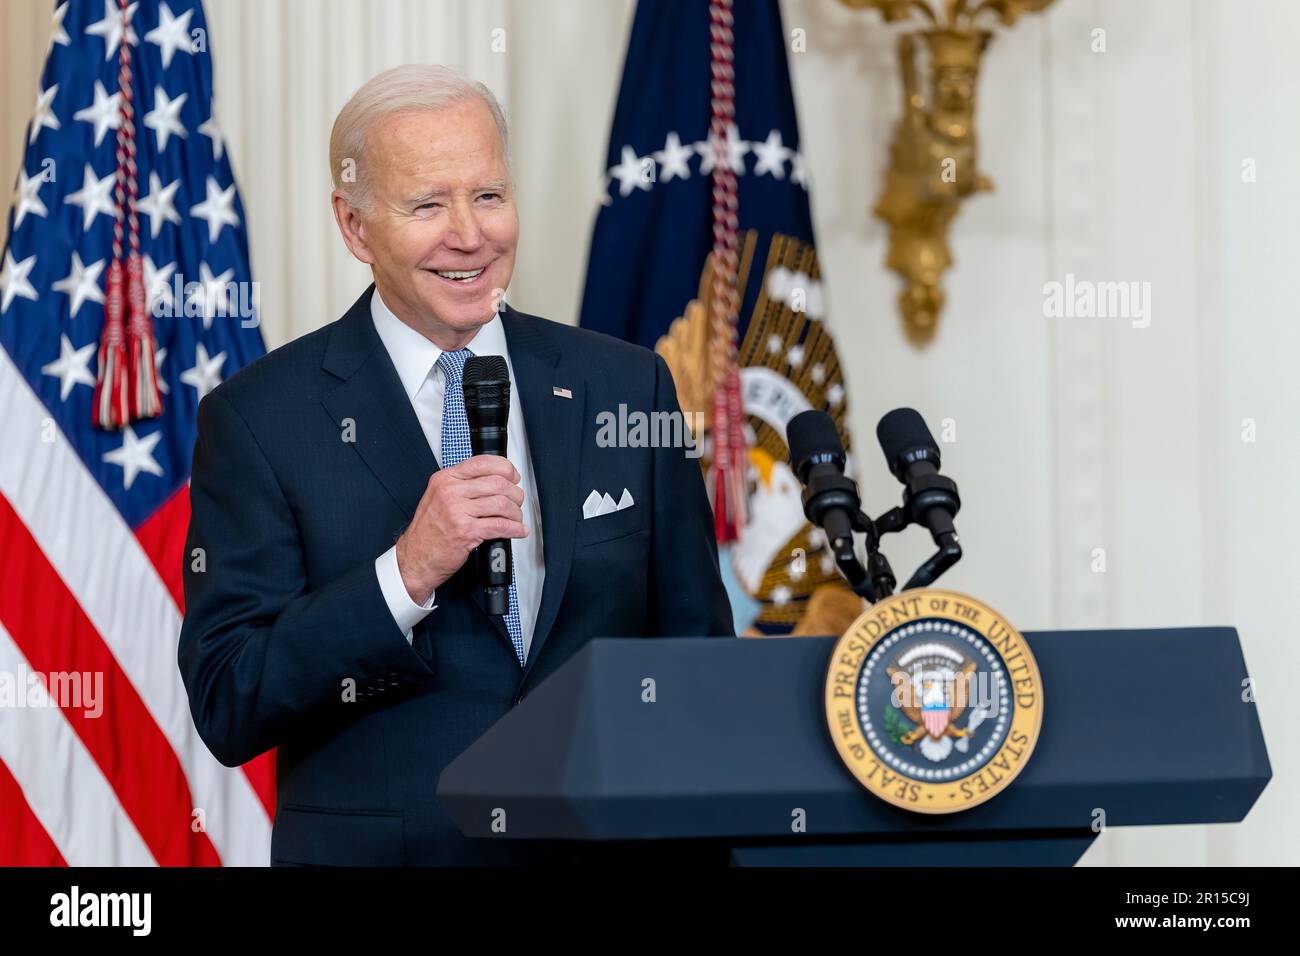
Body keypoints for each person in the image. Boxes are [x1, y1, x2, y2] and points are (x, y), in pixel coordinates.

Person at [178, 64, 733, 866]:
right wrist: (403, 575)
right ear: (356, 225)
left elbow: (696, 662)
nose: (470, 234)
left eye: (489, 196)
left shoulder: (628, 382)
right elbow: (231, 699)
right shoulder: (261, 418)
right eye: (427, 204)